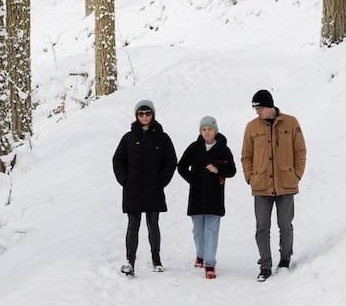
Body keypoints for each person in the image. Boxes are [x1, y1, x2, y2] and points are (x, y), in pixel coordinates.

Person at [240, 89, 306, 282]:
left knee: (285, 225)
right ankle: (265, 265)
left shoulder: (291, 122)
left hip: (286, 183)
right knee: (262, 227)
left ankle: (285, 260)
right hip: (261, 185)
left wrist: (296, 175)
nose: (256, 111)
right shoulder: (251, 127)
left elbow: (300, 151)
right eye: (255, 108)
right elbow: (246, 156)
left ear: (269, 106)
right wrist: (250, 178)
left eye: (259, 107)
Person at [112, 99, 177, 275]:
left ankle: (156, 259)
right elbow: (117, 160)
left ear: (153, 115)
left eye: (147, 113)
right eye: (141, 114)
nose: (144, 116)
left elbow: (171, 162)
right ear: (136, 116)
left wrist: (161, 181)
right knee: (133, 224)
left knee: (153, 223)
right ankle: (130, 261)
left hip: (153, 189)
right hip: (132, 190)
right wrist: (125, 180)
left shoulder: (162, 138)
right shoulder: (128, 138)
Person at [176, 116, 237, 280]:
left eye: (209, 129)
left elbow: (232, 170)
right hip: (196, 197)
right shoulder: (194, 147)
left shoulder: (223, 149)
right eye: (204, 129)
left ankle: (209, 264)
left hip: (215, 197)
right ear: (200, 132)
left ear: (215, 130)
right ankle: (201, 255)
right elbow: (181, 166)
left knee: (211, 231)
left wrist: (218, 169)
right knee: (198, 231)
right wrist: (193, 180)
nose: (207, 132)